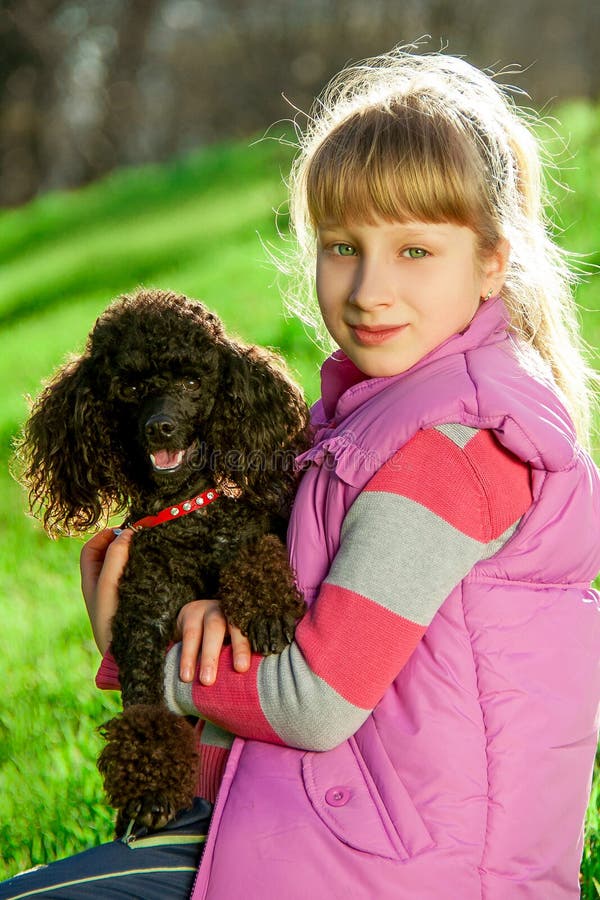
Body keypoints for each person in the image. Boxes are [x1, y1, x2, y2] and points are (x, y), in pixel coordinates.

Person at [2, 46, 599, 900]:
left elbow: (314, 699)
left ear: (492, 262)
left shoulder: (448, 451)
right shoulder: (369, 420)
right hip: (332, 837)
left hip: (399, 877)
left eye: (416, 251)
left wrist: (143, 655)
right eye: (343, 246)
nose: (369, 289)